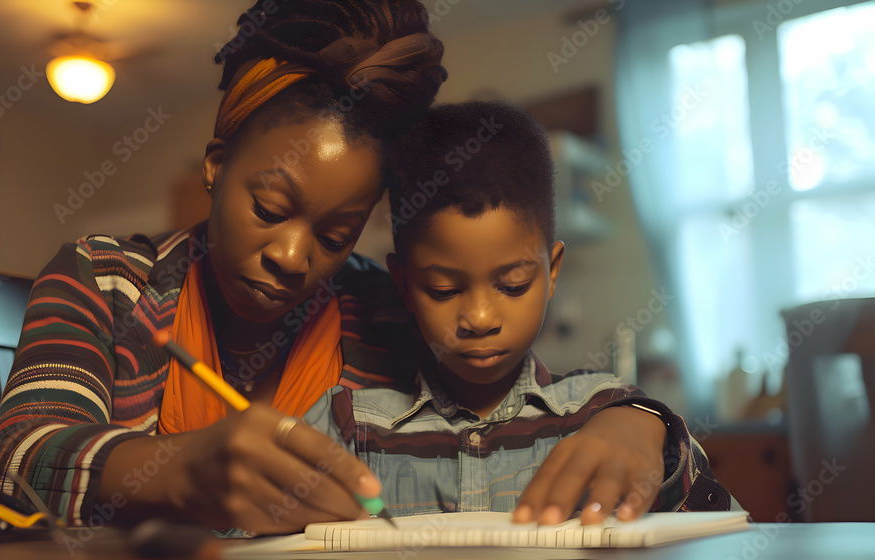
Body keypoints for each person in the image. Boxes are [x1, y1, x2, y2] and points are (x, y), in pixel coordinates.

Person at [0, 0, 448, 534]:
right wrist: (179, 471)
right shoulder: (106, 280)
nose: (292, 257)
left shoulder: (380, 307)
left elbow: (485, 424)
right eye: (269, 210)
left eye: (334, 236)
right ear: (216, 166)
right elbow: (14, 462)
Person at [303, 100, 736, 526]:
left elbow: (716, 526)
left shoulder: (605, 414)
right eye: (444, 289)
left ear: (552, 272)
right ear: (403, 284)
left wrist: (653, 428)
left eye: (512, 285)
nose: (479, 318)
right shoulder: (350, 427)